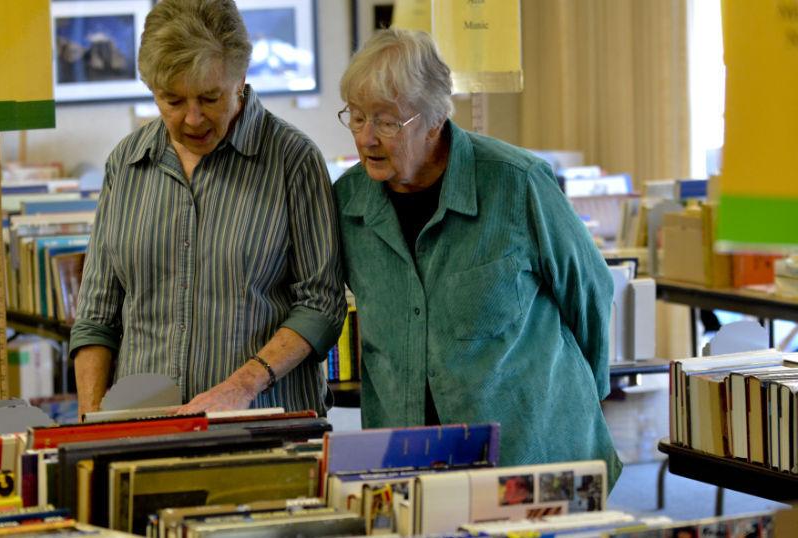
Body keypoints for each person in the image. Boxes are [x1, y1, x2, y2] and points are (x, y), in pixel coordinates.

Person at [332, 28, 622, 484]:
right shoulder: (349, 202)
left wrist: (587, 393)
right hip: (410, 461)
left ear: (433, 120)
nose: (366, 137)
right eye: (356, 117)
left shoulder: (516, 182)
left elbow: (589, 289)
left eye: (386, 122)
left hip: (529, 450)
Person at [70, 0, 346, 418]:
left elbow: (322, 305)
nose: (193, 119)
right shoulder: (126, 163)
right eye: (173, 101)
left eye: (210, 98)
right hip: (145, 429)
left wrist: (241, 387)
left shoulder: (292, 159)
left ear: (241, 78)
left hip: (263, 423)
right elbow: (96, 315)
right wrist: (90, 420)